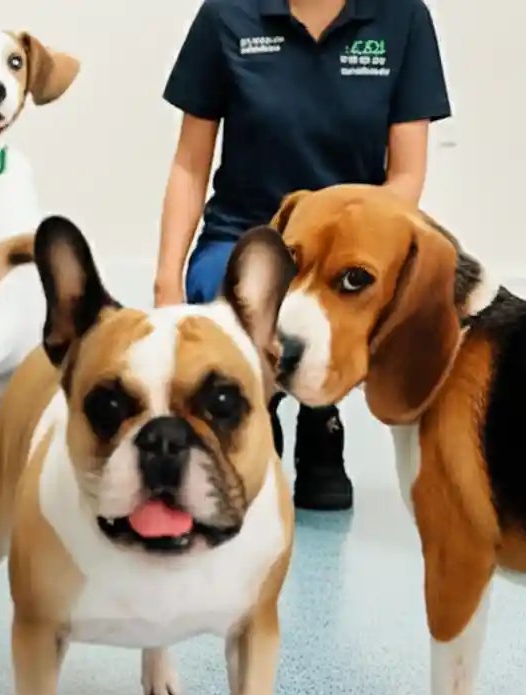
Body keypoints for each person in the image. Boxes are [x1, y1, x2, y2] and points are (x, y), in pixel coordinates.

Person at [155, 0, 451, 511]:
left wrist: (365, 252)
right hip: (242, 239)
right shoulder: (227, 15)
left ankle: (322, 425)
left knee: (349, 294)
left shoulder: (402, 18)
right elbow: (188, 164)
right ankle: (254, 414)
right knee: (241, 296)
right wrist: (167, 280)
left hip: (344, 250)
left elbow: (405, 174)